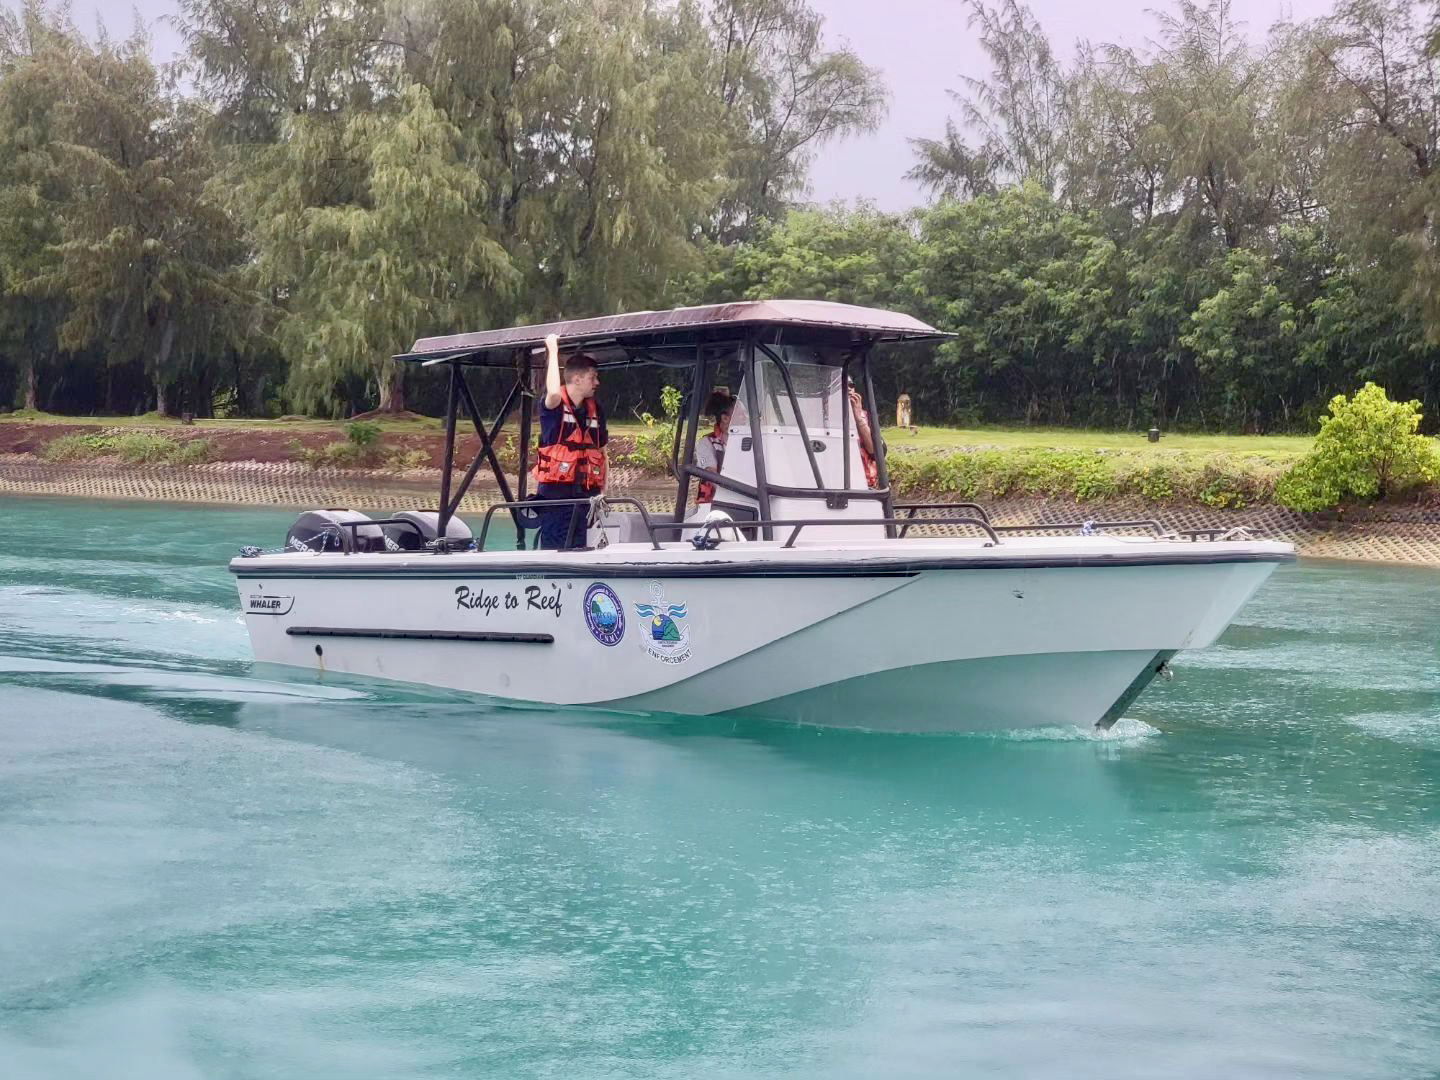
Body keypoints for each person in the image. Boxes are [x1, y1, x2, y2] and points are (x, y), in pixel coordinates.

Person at [532, 333, 607, 549]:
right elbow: (554, 391)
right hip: (557, 499)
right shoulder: (554, 406)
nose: (597, 383)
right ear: (576, 379)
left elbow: (602, 453)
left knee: (581, 548)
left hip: (585, 498)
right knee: (555, 550)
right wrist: (553, 350)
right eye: (593, 377)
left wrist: (603, 492)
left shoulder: (595, 410)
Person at [693, 387, 735, 505]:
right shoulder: (706, 443)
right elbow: (712, 476)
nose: (747, 418)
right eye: (742, 415)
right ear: (725, 418)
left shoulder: (746, 440)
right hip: (715, 505)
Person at [847, 380, 879, 488]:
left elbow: (875, 451)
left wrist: (858, 418)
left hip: (864, 485)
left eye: (851, 385)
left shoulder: (867, 417)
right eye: (842, 384)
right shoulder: (823, 418)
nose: (848, 388)